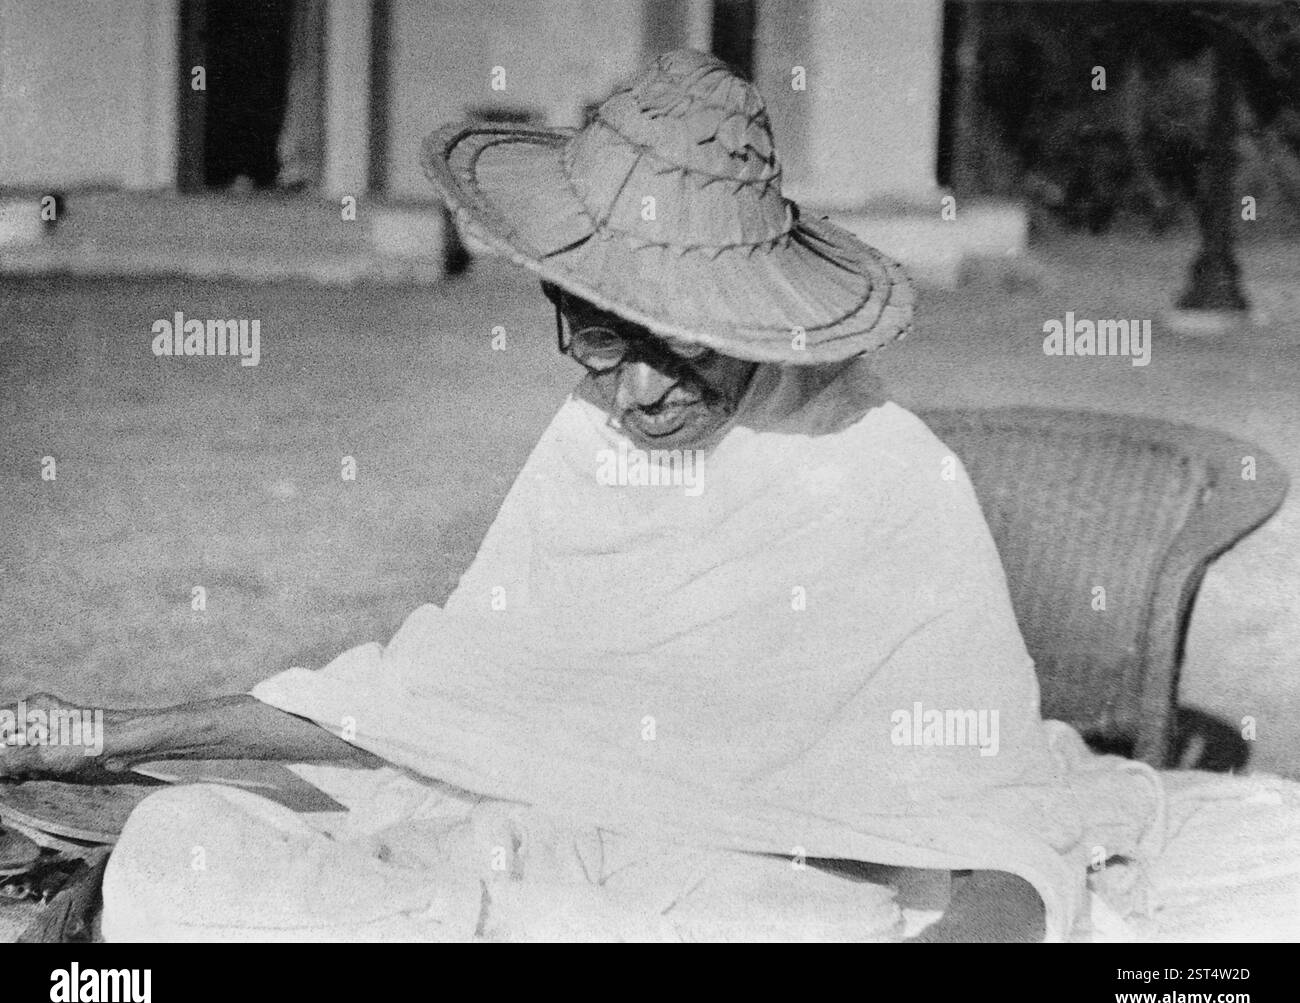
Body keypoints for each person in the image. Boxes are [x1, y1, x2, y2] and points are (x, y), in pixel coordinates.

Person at [0, 50, 1163, 943]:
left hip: (765, 898)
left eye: (685, 348)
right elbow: (435, 702)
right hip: (543, 856)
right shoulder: (593, 436)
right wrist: (114, 732)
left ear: (760, 323)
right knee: (184, 843)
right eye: (599, 341)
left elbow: (1001, 827)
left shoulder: (884, 473)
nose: (637, 392)